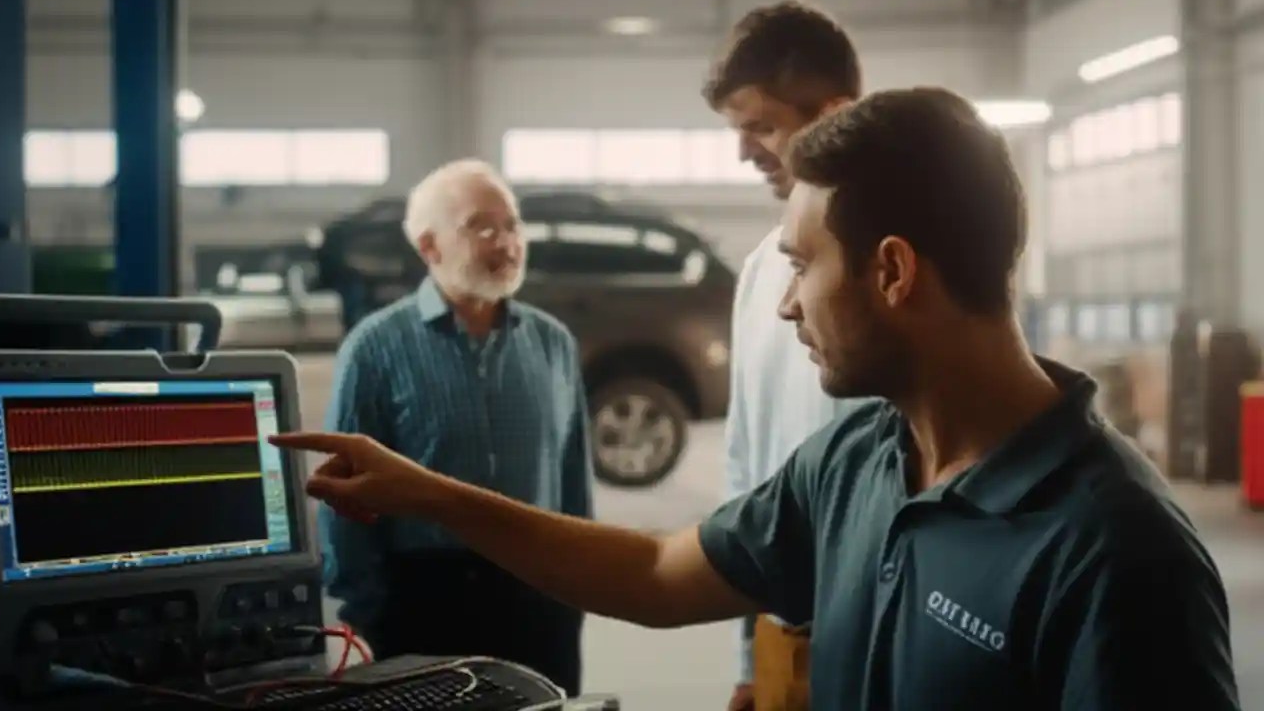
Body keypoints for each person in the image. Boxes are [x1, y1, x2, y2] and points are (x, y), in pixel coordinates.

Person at [278, 90, 1241, 710]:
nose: (783, 303)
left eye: (800, 265)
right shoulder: (861, 456)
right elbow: (658, 571)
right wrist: (432, 495)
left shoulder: (1117, 554)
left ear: (894, 272)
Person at [319, 159, 593, 695]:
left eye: (512, 225)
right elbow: (343, 500)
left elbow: (572, 484)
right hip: (423, 605)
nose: (506, 241)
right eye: (481, 226)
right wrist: (369, 615)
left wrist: (575, 590)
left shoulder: (552, 342)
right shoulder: (374, 348)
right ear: (429, 246)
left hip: (538, 597)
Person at [703, 1, 863, 710]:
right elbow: (745, 480)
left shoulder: (897, 275)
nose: (744, 153)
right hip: (780, 632)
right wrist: (748, 653)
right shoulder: (761, 270)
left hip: (870, 634)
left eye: (762, 127)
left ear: (834, 114)